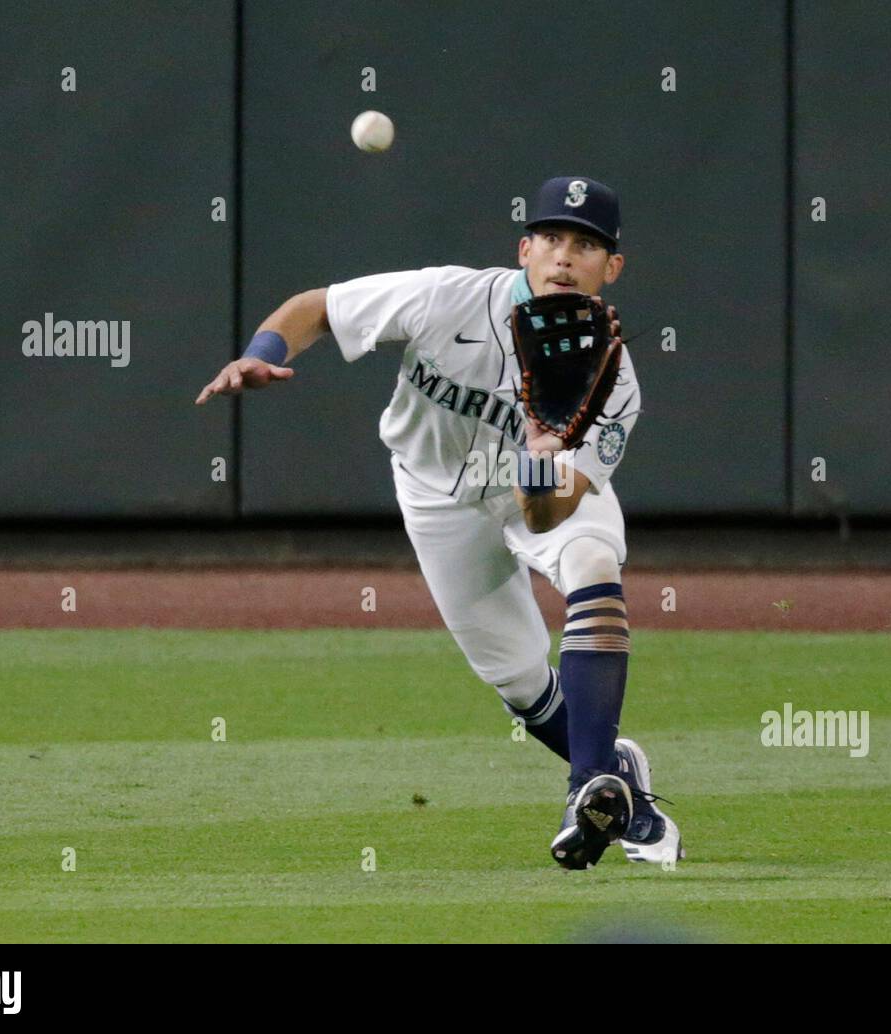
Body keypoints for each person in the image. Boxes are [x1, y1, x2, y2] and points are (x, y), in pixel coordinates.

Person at [196, 176, 682, 869]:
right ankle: (619, 775)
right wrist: (263, 355)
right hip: (435, 492)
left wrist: (544, 446)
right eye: (550, 238)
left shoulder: (615, 378)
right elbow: (317, 309)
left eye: (585, 244)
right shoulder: (447, 297)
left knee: (593, 567)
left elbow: (548, 509)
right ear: (524, 249)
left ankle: (588, 791)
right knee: (518, 680)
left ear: (613, 268)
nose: (564, 257)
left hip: (529, 491)